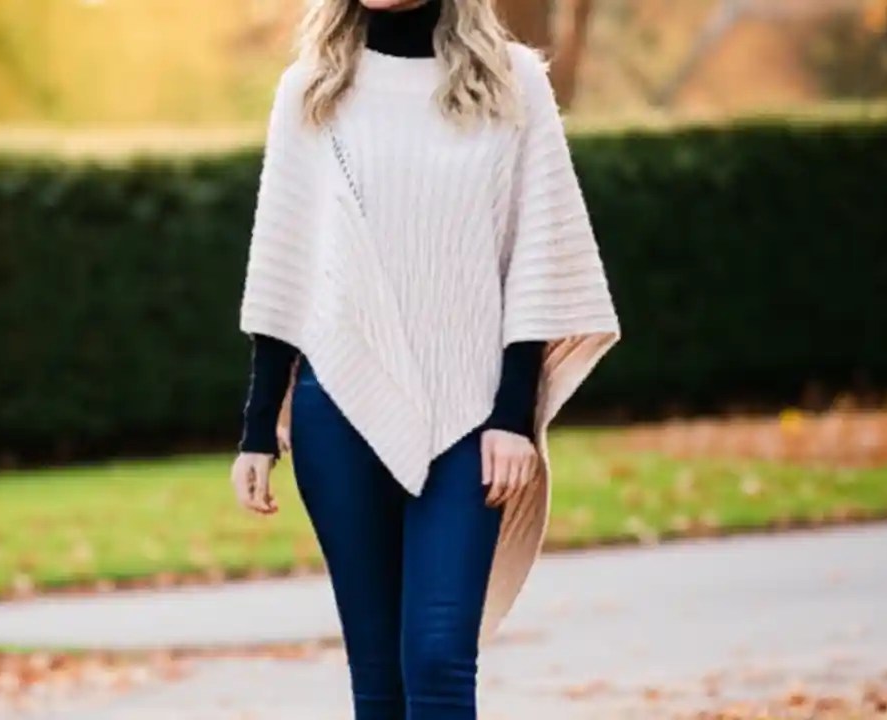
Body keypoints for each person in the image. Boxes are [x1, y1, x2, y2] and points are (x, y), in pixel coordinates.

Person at [230, 0, 621, 717]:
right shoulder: (312, 88)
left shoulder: (515, 85)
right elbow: (284, 262)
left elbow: (537, 254)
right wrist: (258, 430)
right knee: (378, 678)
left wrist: (511, 416)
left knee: (440, 658)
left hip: (473, 417)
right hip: (337, 410)